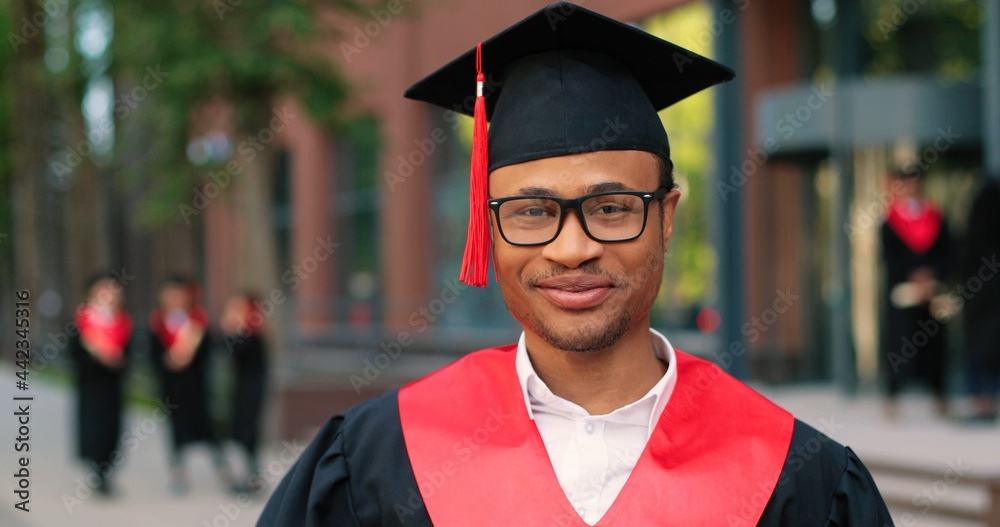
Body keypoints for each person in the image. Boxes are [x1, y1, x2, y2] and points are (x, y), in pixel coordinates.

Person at [258, 3, 892, 525]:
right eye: (531, 212)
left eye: (613, 208)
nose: (570, 249)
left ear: (668, 218)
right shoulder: (377, 459)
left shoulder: (800, 477)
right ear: (488, 225)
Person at [149, 275, 233, 494]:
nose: (175, 298)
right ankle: (178, 475)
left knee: (210, 431)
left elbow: (209, 352)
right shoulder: (157, 323)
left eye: (179, 293)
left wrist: (189, 354)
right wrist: (166, 361)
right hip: (171, 389)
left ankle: (224, 473)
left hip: (197, 389)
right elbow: (152, 356)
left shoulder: (198, 322)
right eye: (170, 294)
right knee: (176, 433)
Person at [880, 168, 951, 419]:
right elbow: (888, 257)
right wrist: (912, 276)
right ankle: (892, 398)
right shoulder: (891, 220)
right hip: (903, 295)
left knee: (934, 347)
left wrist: (931, 275)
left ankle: (940, 396)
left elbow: (948, 252)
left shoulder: (935, 216)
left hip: (931, 295)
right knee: (900, 346)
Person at [70, 273, 133, 496]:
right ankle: (97, 472)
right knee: (94, 428)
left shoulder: (122, 322)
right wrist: (98, 359)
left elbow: (130, 354)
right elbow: (75, 354)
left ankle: (106, 469)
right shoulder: (83, 322)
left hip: (113, 387)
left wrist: (118, 361)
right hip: (91, 386)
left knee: (112, 429)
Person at [220, 292, 270, 491]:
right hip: (241, 392)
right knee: (241, 435)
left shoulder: (253, 336)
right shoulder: (247, 335)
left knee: (248, 434)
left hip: (251, 394)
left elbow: (235, 350)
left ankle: (253, 477)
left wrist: (231, 329)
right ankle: (251, 475)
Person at [961, 178, 1000, 421]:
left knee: (977, 352)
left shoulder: (973, 239)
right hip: (990, 304)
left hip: (978, 302)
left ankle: (978, 401)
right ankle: (989, 401)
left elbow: (962, 262)